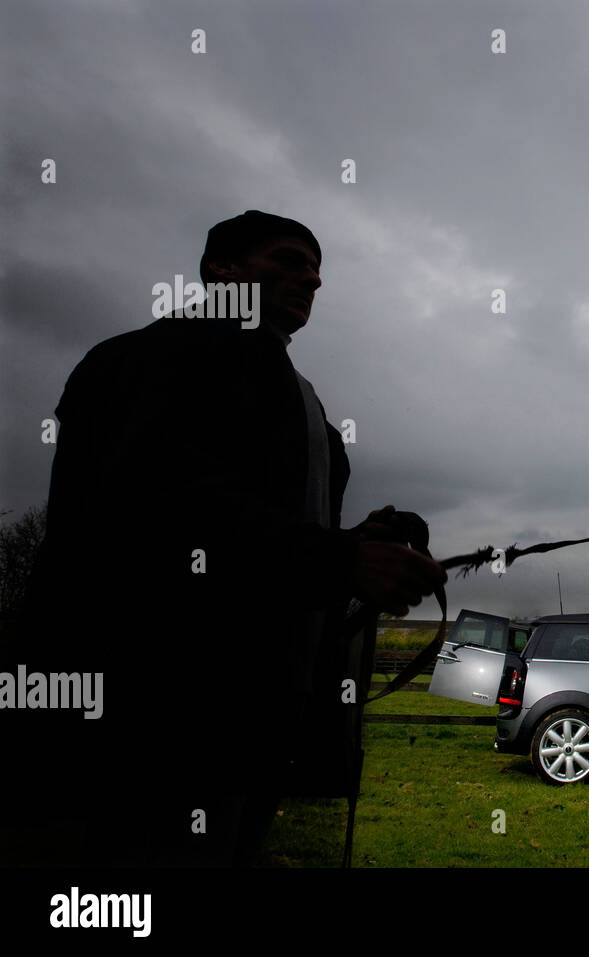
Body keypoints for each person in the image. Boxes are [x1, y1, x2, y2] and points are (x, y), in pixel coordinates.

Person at [0, 210, 444, 866]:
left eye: (317, 268)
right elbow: (154, 507)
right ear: (222, 268)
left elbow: (275, 541)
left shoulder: (306, 401)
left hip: (260, 718)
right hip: (150, 718)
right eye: (289, 260)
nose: (312, 278)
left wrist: (358, 542)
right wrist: (339, 557)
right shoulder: (143, 359)